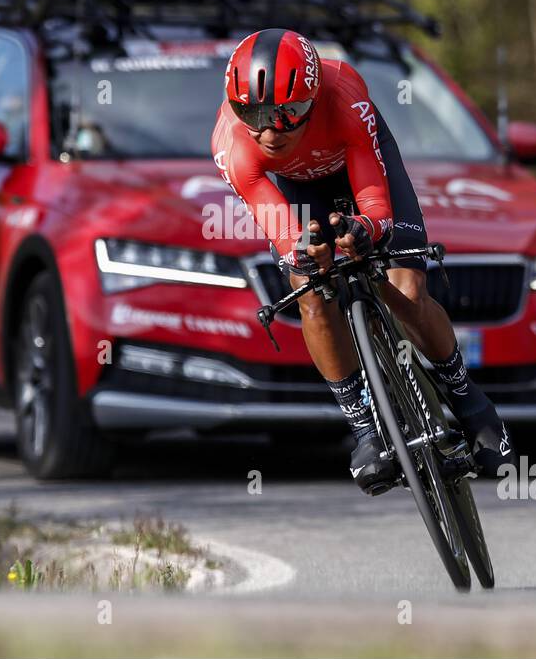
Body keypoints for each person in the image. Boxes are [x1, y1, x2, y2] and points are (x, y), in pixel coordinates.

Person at [211, 28, 513, 493]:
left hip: (358, 166)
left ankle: (468, 400)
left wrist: (367, 230)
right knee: (311, 292)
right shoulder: (232, 144)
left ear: (312, 100)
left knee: (409, 289)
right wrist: (307, 256)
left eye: (288, 114)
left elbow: (374, 203)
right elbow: (280, 226)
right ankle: (365, 428)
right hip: (296, 193)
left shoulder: (344, 96)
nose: (270, 130)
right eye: (253, 113)